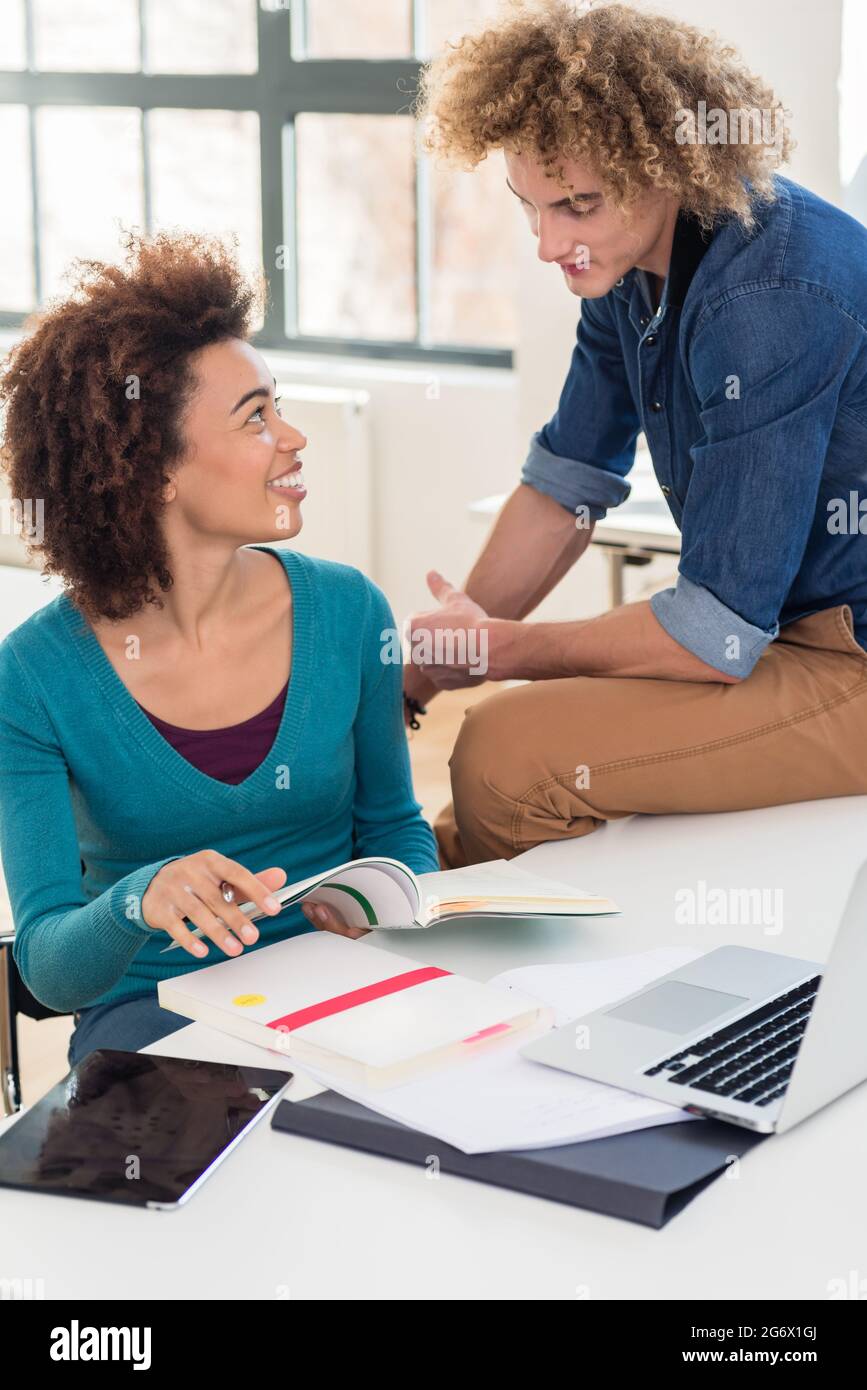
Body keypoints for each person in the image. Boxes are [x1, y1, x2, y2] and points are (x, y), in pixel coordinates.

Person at [406, 0, 867, 867]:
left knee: (504, 756)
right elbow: (566, 484)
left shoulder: (767, 299)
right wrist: (426, 672)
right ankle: (395, 900)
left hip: (846, 653)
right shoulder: (631, 270)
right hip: (787, 635)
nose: (549, 243)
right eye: (530, 206)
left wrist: (505, 653)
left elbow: (714, 633)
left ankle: (466, 950)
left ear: (670, 166)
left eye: (577, 205)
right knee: (497, 753)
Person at [0, 231, 438, 1064]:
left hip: (342, 987)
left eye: (279, 404)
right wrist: (138, 899)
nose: (293, 436)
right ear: (153, 467)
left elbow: (395, 828)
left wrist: (376, 906)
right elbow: (49, 967)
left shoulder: (349, 612)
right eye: (256, 418)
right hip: (157, 1017)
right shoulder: (34, 675)